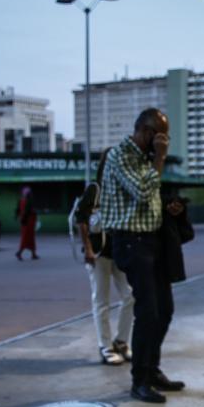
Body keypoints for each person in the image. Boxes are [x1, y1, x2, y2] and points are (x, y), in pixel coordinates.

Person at [102, 108, 186, 404]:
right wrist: (160, 158)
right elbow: (140, 191)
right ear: (147, 132)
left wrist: (169, 207)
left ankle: (152, 370)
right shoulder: (120, 155)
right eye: (162, 136)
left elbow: (149, 199)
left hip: (152, 241)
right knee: (147, 312)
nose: (164, 143)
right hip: (131, 243)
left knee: (165, 309)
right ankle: (139, 381)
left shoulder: (146, 159)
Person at [77, 152, 135, 366]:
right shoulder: (95, 189)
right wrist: (88, 248)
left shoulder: (123, 190)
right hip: (98, 252)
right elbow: (81, 219)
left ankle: (121, 341)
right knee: (102, 300)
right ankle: (105, 346)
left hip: (119, 251)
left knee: (130, 295)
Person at [15, 186, 38, 261]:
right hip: (28, 221)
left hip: (25, 221)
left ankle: (33, 254)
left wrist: (18, 217)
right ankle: (19, 252)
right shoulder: (28, 201)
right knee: (26, 238)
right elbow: (29, 211)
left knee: (30, 237)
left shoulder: (21, 200)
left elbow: (18, 210)